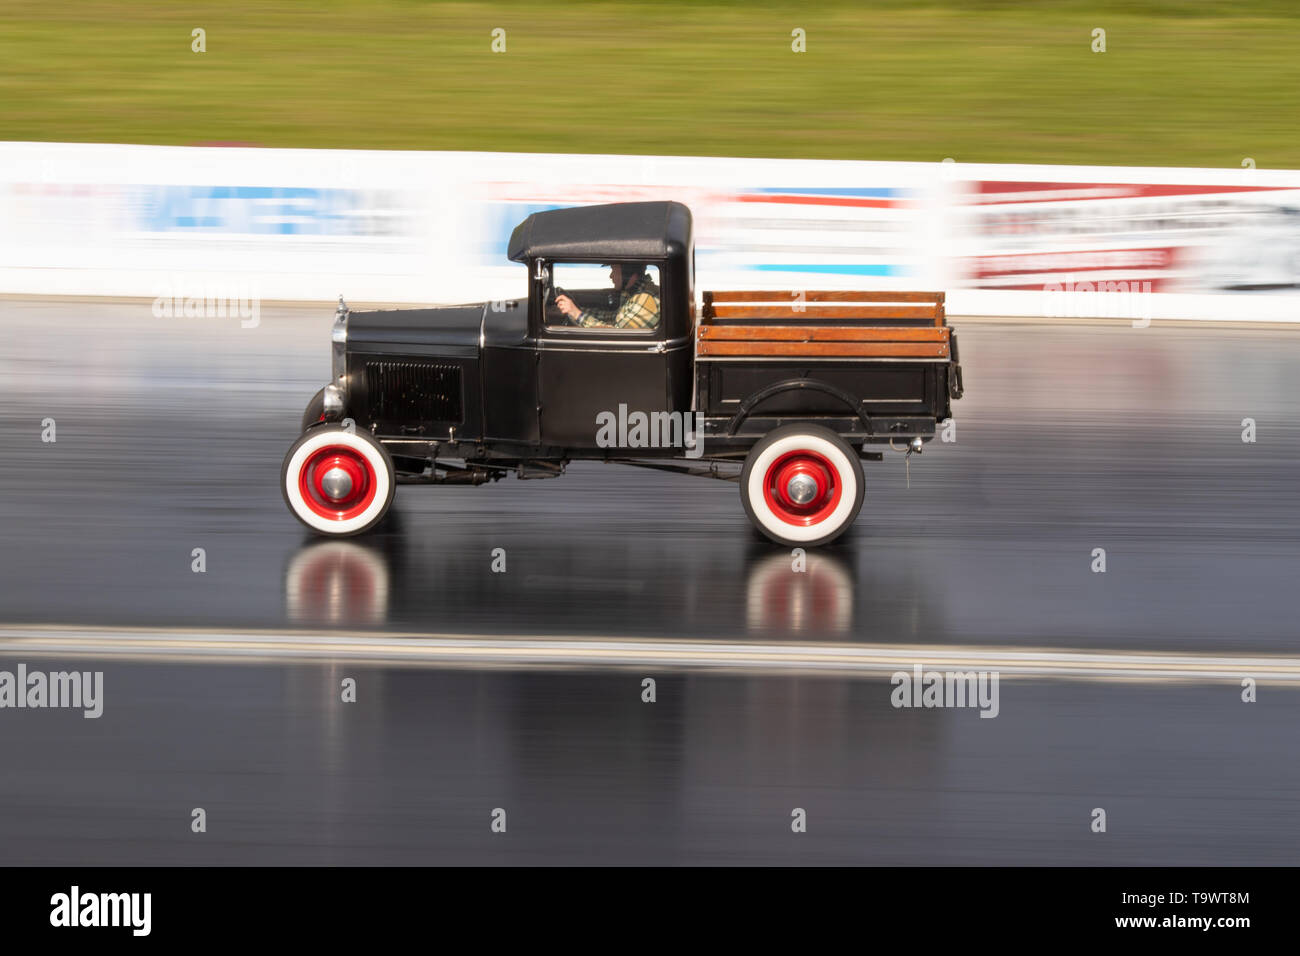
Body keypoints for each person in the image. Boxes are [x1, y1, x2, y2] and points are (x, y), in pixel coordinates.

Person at [555, 263, 660, 329]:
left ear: (627, 272)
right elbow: (613, 317)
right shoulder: (634, 293)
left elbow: (617, 335)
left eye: (614, 269)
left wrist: (577, 314)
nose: (611, 275)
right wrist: (577, 310)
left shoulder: (646, 298)